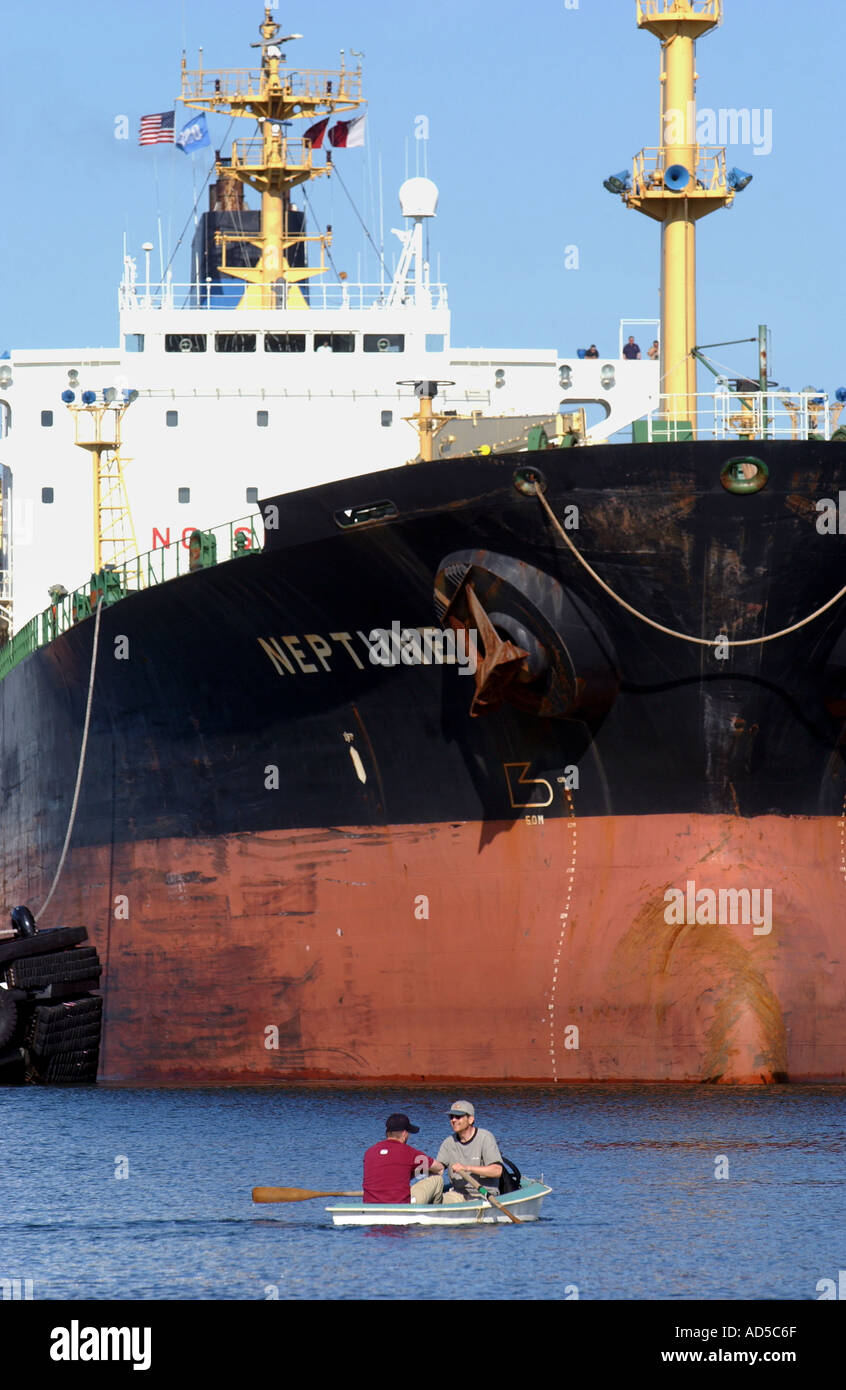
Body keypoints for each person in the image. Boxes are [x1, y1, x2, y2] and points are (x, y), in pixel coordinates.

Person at [362, 1112, 445, 1204]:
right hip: (400, 1208)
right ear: (404, 1134)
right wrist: (424, 1172)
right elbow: (440, 1169)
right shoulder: (411, 1153)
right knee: (437, 1180)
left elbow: (390, 1175)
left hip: (370, 1208)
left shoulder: (369, 1152)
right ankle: (434, 1215)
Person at [436, 1100, 503, 1203]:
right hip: (457, 1194)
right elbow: (438, 1169)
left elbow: (497, 1171)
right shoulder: (448, 1142)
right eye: (451, 1117)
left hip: (484, 1195)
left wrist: (466, 1168)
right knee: (435, 1200)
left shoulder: (485, 1138)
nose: (453, 1120)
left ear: (471, 1119)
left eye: (458, 1117)